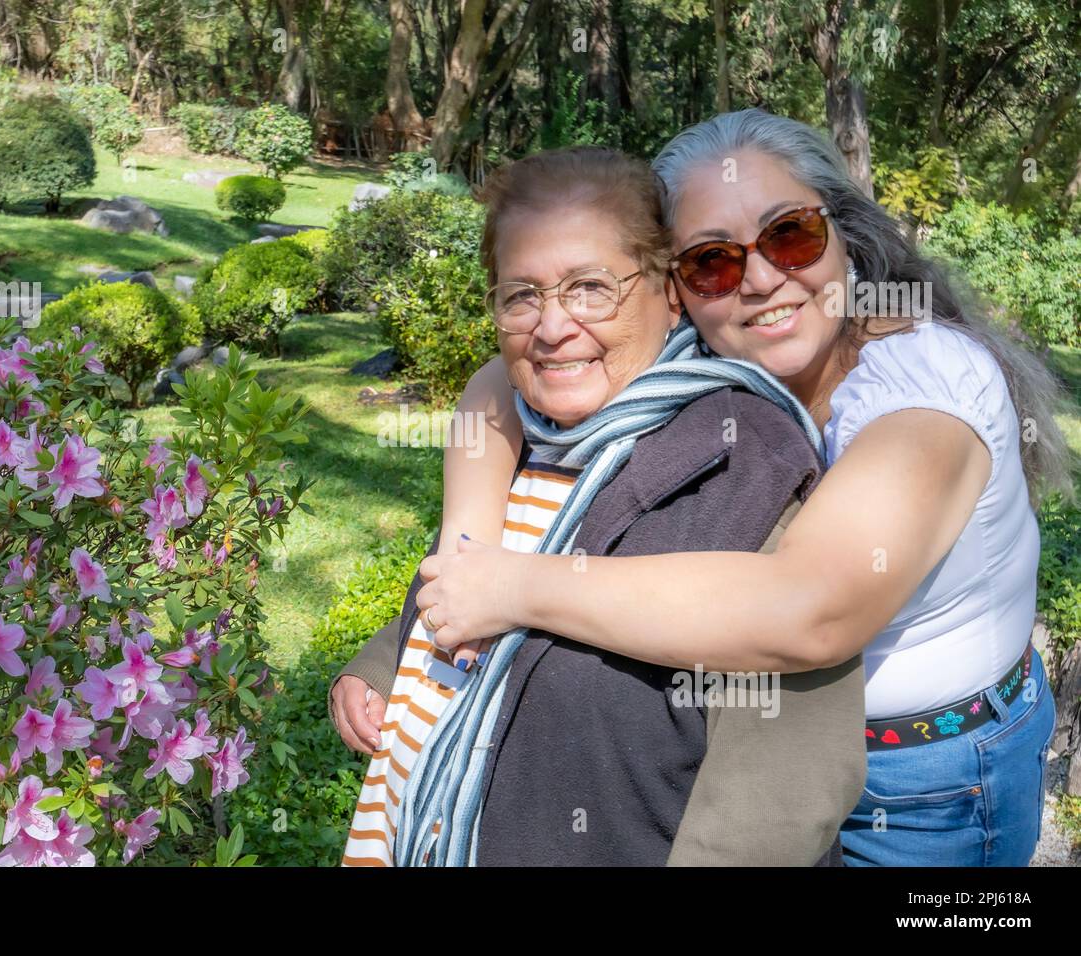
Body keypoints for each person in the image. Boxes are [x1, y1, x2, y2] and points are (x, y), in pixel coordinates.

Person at [337, 110, 1067, 867]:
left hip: (928, 787)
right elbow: (506, 380)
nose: (758, 278)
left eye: (791, 236)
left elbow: (811, 610)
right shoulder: (688, 381)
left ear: (843, 230)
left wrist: (511, 587)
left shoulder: (927, 384)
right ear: (676, 288)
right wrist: (456, 570)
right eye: (712, 261)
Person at [337, 145, 865, 867]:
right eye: (521, 294)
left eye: (590, 288)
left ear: (671, 291)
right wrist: (383, 663)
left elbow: (785, 791)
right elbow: (463, 586)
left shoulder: (744, 465)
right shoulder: (525, 436)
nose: (552, 327)